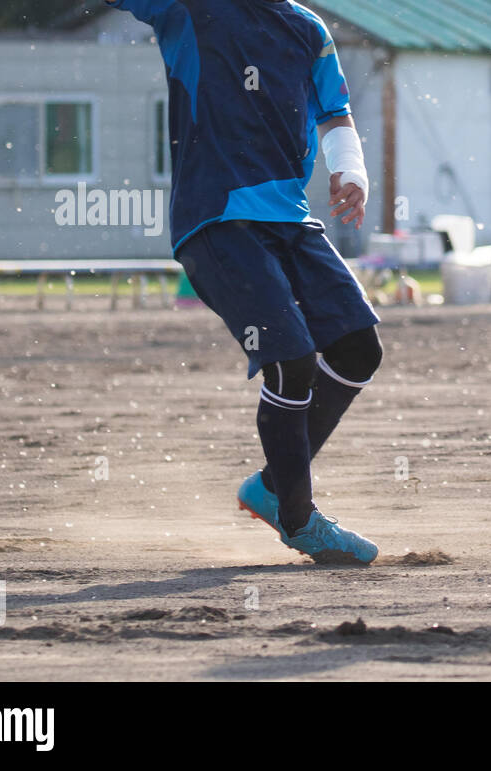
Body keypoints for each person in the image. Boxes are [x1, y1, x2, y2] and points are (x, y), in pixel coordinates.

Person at [106, 0, 382, 564]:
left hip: (291, 218)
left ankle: (273, 487)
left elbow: (335, 113)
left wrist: (350, 170)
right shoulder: (186, 9)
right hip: (216, 220)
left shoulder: (307, 27)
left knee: (358, 347)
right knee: (291, 358)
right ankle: (301, 522)